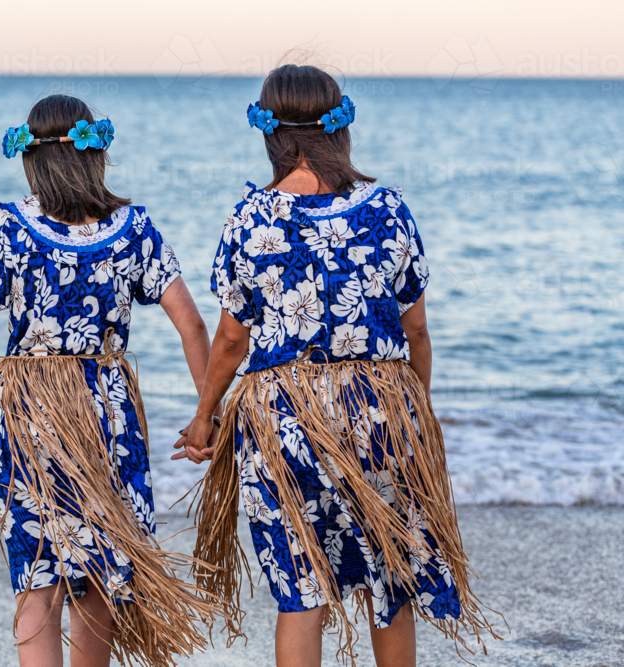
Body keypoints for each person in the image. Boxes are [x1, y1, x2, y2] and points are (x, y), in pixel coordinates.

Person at [174, 65, 501, 666]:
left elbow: (228, 340)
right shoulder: (388, 209)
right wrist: (415, 411)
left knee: (301, 591)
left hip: (284, 421)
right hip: (379, 412)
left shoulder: (250, 218)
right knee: (389, 580)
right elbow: (417, 329)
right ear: (340, 127)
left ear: (270, 133)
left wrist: (205, 416)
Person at [0, 94, 219, 667]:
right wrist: (208, 413)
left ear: (30, 160)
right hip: (107, 415)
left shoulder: (11, 225)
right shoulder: (133, 229)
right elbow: (193, 324)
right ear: (95, 154)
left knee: (36, 576)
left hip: (29, 414)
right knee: (99, 569)